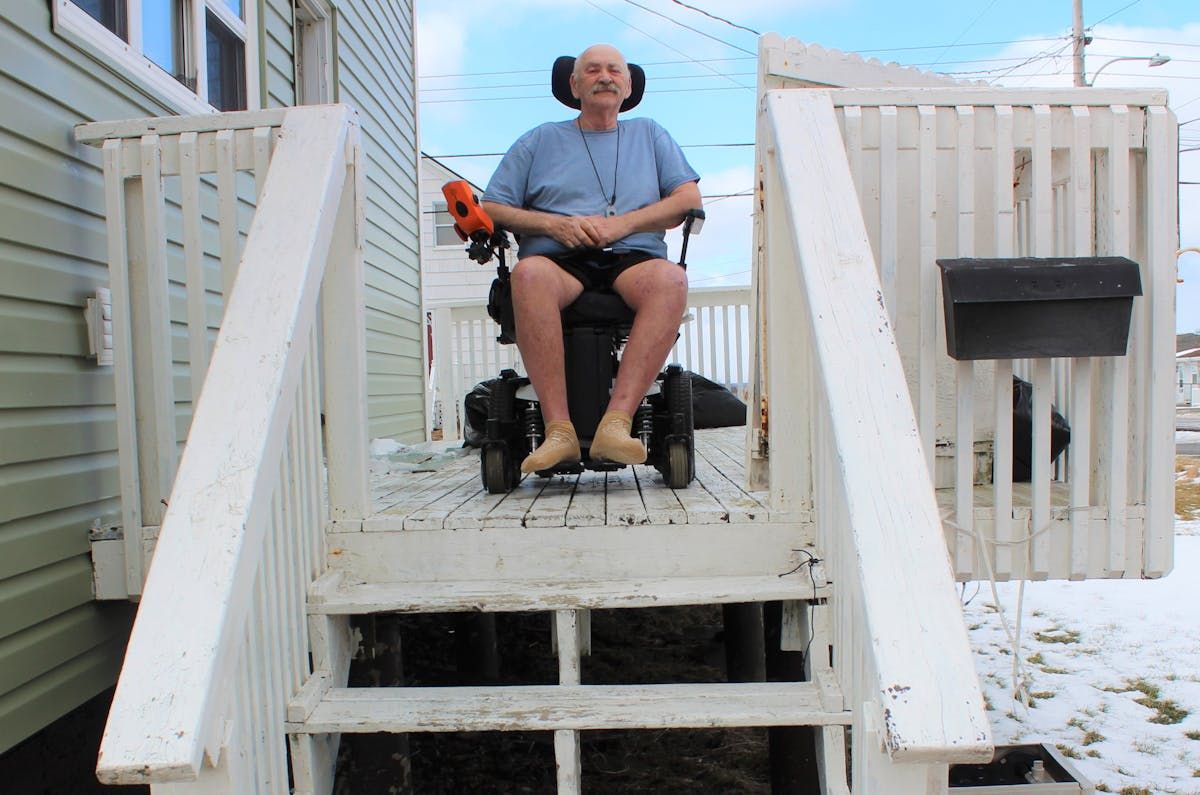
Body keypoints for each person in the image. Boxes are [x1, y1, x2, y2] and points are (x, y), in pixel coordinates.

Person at [481, 44, 702, 474]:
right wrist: (552, 225)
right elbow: (491, 206)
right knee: (528, 274)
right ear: (574, 84)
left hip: (632, 257)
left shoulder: (650, 134)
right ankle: (559, 432)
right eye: (593, 70)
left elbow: (688, 198)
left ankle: (616, 425)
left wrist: (622, 226)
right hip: (559, 258)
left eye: (614, 70)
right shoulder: (541, 139)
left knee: (671, 280)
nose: (605, 76)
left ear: (628, 84)